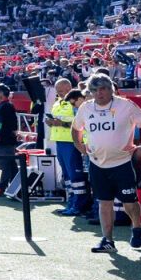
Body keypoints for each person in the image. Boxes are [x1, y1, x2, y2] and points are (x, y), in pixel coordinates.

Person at [72, 73, 141, 255]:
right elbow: (76, 129)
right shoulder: (85, 107)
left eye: (103, 89)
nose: (99, 93)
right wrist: (80, 146)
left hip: (122, 162)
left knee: (129, 202)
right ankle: (107, 240)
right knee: (104, 203)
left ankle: (137, 228)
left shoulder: (125, 105)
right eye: (94, 90)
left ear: (110, 89)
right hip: (97, 164)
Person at [45, 77, 84, 215]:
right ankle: (71, 203)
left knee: (75, 175)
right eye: (58, 91)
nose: (60, 93)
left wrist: (61, 123)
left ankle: (79, 205)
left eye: (62, 90)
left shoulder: (75, 102)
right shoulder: (57, 103)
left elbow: (80, 122)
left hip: (71, 142)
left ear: (69, 88)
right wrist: (50, 122)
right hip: (59, 142)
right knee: (67, 176)